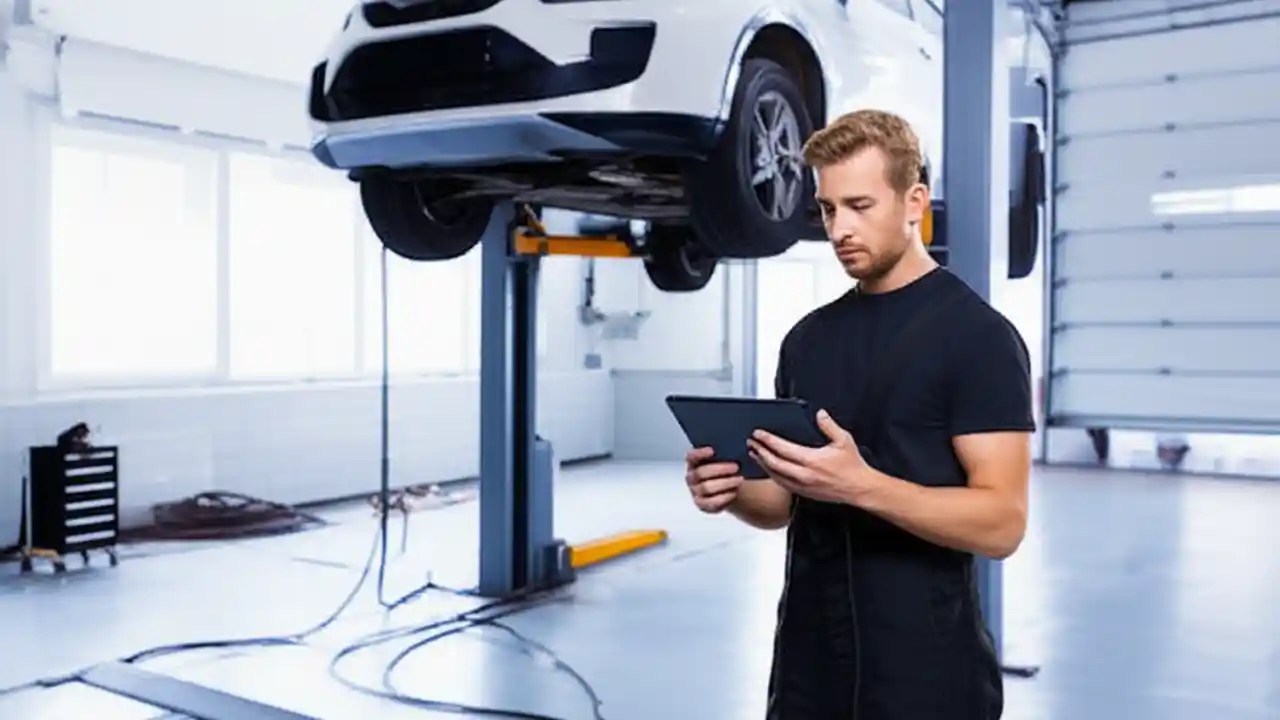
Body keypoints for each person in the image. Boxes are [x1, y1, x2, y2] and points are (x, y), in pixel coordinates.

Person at [684, 109, 1034, 719]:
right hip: (808, 663)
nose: (840, 228)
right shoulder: (807, 339)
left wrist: (863, 486)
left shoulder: (978, 337)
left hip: (925, 673)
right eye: (827, 209)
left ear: (913, 201)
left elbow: (1001, 523)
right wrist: (730, 488)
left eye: (860, 205)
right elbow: (782, 505)